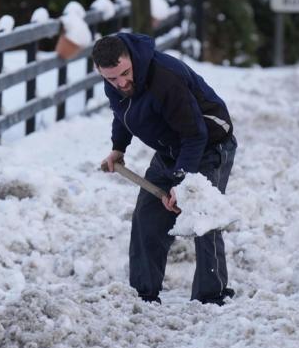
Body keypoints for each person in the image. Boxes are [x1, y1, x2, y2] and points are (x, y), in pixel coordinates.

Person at [94, 31, 237, 305]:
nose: (121, 83)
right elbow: (122, 114)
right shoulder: (114, 82)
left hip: (208, 145)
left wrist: (182, 183)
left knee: (202, 217)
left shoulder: (164, 78)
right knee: (147, 216)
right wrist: (118, 148)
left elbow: (195, 135)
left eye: (125, 73)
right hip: (170, 149)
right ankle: (143, 295)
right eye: (112, 78)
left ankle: (213, 296)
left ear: (131, 58)